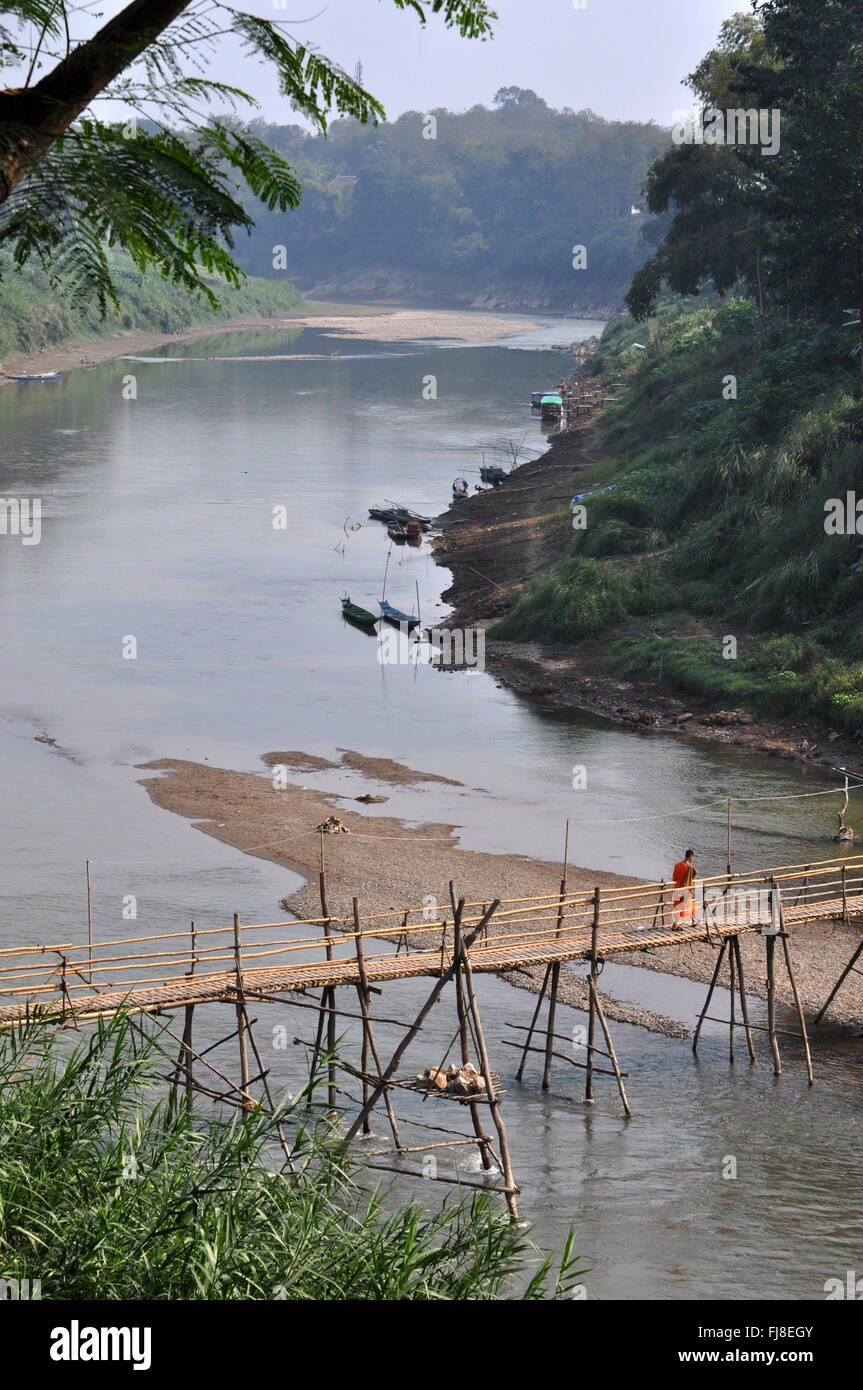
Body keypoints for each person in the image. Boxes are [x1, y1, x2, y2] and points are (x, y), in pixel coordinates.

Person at [671, 848, 697, 929]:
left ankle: (693, 920)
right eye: (693, 857)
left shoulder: (677, 865)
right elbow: (692, 877)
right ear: (690, 857)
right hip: (686, 890)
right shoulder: (690, 868)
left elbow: (674, 878)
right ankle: (676, 924)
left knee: (678, 906)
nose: (693, 859)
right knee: (689, 905)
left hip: (677, 889)